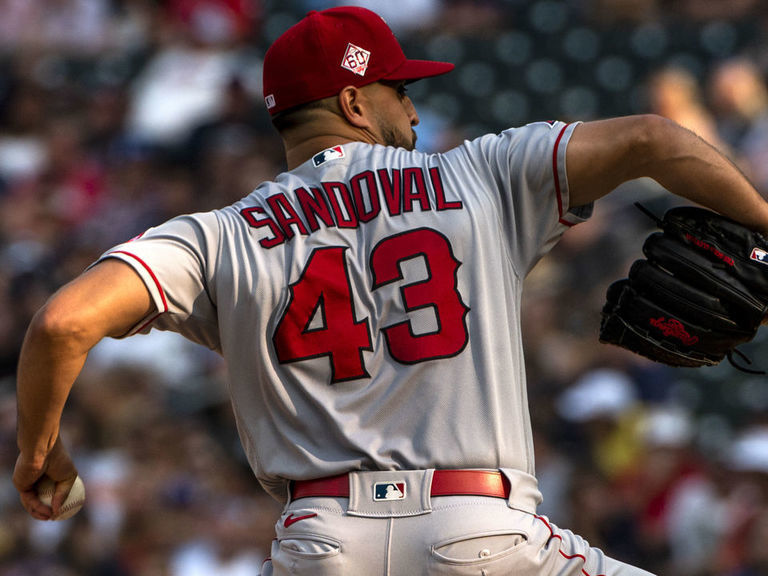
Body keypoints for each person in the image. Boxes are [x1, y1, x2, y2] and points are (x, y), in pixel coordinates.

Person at [13, 6, 768, 576]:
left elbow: (60, 323)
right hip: (482, 532)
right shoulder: (476, 173)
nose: (411, 106)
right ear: (352, 102)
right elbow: (653, 138)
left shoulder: (221, 235)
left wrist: (40, 452)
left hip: (319, 543)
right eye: (397, 89)